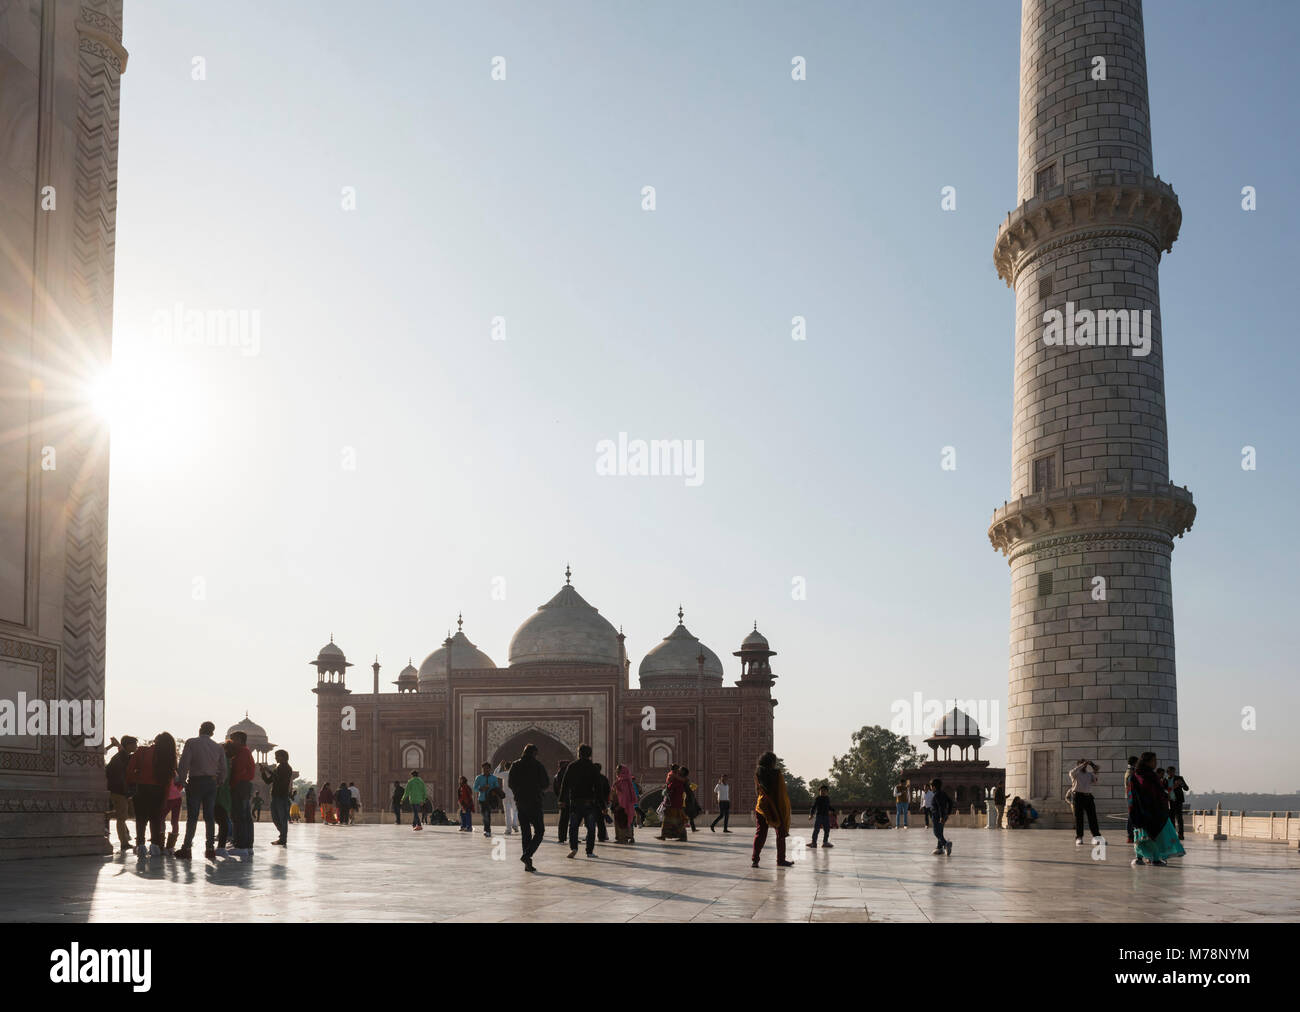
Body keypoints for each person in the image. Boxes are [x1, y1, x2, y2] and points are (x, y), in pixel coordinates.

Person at [176, 721, 226, 861]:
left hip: (196, 781)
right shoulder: (217, 747)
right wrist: (220, 780)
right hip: (211, 782)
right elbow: (223, 768)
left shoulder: (192, 743)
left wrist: (181, 779)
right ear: (212, 732)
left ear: (200, 730)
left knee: (193, 816)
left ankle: (186, 848)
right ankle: (210, 849)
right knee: (209, 817)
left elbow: (184, 762)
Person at [1130, 753, 1185, 867]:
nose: (1156, 763)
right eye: (1154, 760)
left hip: (1139, 810)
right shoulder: (1149, 775)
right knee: (1154, 834)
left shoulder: (1136, 774)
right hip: (1152, 810)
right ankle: (1155, 859)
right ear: (1147, 762)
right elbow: (1154, 792)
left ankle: (1139, 857)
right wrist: (1165, 797)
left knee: (1141, 835)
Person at [126, 732, 176, 858]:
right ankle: (154, 846)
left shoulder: (142, 751)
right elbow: (168, 781)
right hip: (159, 790)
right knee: (155, 819)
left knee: (141, 819)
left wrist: (136, 778)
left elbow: (129, 770)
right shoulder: (168, 757)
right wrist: (164, 798)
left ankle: (141, 845)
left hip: (142, 788)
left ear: (156, 740)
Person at [507, 744, 550, 872]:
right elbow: (545, 783)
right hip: (534, 802)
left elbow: (510, 783)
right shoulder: (537, 765)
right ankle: (527, 855)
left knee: (526, 833)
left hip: (520, 802)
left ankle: (527, 863)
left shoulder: (515, 765)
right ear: (534, 753)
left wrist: (517, 793)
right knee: (539, 831)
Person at [558, 744, 602, 858]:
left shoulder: (572, 766)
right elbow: (598, 787)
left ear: (579, 753)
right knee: (591, 828)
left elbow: (565, 784)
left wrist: (562, 799)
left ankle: (574, 848)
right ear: (590, 754)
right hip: (589, 802)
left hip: (575, 801)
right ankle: (589, 851)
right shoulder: (593, 768)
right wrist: (602, 805)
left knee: (573, 826)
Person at [752, 752, 793, 868]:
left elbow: (757, 792)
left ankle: (755, 860)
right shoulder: (776, 774)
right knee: (781, 832)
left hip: (761, 806)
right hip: (774, 807)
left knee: (760, 833)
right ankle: (781, 860)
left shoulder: (757, 773)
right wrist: (784, 810)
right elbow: (781, 794)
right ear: (772, 762)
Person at [105, 735, 137, 855]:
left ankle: (106, 816)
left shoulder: (124, 756)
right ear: (128, 745)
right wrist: (118, 744)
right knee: (122, 817)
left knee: (125, 814)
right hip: (117, 790)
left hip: (120, 790)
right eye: (134, 744)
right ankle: (124, 843)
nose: (136, 747)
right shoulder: (122, 756)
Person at [228, 731, 256, 856]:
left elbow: (237, 770)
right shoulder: (246, 751)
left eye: (233, 740)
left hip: (240, 785)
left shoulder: (242, 752)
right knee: (245, 817)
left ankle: (240, 846)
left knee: (239, 816)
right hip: (244, 785)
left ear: (239, 739)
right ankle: (247, 846)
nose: (232, 742)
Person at [261, 750, 297, 846]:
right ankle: (282, 835)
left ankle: (283, 838)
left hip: (282, 796)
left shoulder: (287, 768)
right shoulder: (277, 768)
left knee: (282, 818)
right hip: (275, 796)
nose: (276, 758)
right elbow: (268, 781)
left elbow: (280, 779)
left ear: (283, 757)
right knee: (275, 818)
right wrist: (263, 772)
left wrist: (268, 771)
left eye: (277, 756)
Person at [1068, 758, 1104, 846]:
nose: (1084, 766)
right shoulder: (1075, 774)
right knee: (1079, 818)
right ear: (1078, 765)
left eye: (1085, 765)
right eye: (1082, 764)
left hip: (1088, 797)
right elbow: (1071, 772)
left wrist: (1095, 771)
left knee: (1093, 818)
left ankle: (1096, 837)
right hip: (1078, 796)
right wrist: (1082, 765)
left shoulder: (1089, 774)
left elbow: (1095, 782)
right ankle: (1079, 837)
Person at [656, 765, 688, 842]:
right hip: (676, 802)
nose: (677, 771)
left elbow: (670, 788)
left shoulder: (678, 780)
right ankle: (681, 836)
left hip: (673, 802)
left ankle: (665, 835)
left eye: (679, 770)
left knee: (670, 820)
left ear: (682, 772)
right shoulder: (680, 779)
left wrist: (666, 787)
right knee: (677, 820)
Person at [472, 762, 500, 837]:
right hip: (482, 799)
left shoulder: (493, 778)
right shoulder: (479, 778)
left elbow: (497, 787)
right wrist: (481, 789)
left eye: (487, 768)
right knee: (485, 815)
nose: (485, 770)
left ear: (490, 769)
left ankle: (487, 830)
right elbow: (474, 788)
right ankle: (487, 830)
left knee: (487, 814)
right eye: (484, 768)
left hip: (490, 799)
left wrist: (494, 791)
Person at [613, 764, 637, 844]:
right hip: (628, 805)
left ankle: (622, 838)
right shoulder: (627, 780)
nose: (616, 771)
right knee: (628, 821)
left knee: (622, 821)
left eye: (618, 770)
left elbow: (624, 795)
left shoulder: (622, 781)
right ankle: (630, 837)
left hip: (623, 805)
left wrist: (621, 805)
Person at [929, 777, 953, 856]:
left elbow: (940, 807)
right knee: (940, 832)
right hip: (943, 815)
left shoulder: (936, 795)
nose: (931, 788)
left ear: (934, 787)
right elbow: (951, 802)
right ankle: (939, 848)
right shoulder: (943, 793)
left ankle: (946, 844)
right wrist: (948, 813)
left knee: (936, 833)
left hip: (937, 816)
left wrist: (941, 817)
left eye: (931, 787)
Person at [495, 761, 519, 835]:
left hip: (506, 795)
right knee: (515, 811)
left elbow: (495, 774)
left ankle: (508, 829)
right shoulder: (515, 774)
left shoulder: (505, 774)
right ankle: (515, 824)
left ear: (505, 768)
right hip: (514, 795)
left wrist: (499, 765)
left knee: (507, 812)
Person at [1167, 767, 1190, 840]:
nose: (1172, 773)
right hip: (1170, 801)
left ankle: (1181, 835)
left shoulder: (1179, 778)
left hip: (1178, 801)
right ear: (1168, 772)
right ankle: (1173, 834)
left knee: (1179, 818)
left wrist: (1182, 784)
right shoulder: (1165, 780)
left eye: (1174, 771)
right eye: (1171, 772)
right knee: (1171, 819)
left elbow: (1186, 788)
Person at [809, 783, 834, 848]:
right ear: (819, 791)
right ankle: (814, 843)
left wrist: (833, 810)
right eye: (821, 791)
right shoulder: (818, 798)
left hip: (826, 816)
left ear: (827, 792)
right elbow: (813, 807)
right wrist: (811, 814)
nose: (823, 792)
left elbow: (828, 806)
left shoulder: (827, 798)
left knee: (827, 830)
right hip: (819, 816)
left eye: (824, 791)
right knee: (816, 830)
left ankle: (825, 842)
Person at [593, 762, 612, 843]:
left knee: (591, 821)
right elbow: (608, 791)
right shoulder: (603, 778)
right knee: (600, 821)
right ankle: (601, 837)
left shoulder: (590, 778)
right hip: (601, 802)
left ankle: (590, 836)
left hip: (592, 802)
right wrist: (606, 801)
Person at [554, 760, 571, 843]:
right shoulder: (567, 775)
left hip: (563, 800)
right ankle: (572, 837)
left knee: (563, 819)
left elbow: (555, 789)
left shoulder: (557, 775)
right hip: (570, 800)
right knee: (572, 820)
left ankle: (561, 837)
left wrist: (560, 798)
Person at [1123, 756, 1138, 844]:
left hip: (1131, 797)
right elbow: (1130, 787)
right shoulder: (1130, 772)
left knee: (1132, 816)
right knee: (1131, 816)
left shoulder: (1130, 771)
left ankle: (1131, 836)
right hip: (1131, 797)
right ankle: (1130, 836)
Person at [682, 768, 700, 833]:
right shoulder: (684, 780)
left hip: (686, 799)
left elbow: (694, 786)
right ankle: (692, 828)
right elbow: (694, 786)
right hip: (687, 799)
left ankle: (691, 828)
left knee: (688, 815)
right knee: (688, 815)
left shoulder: (683, 779)